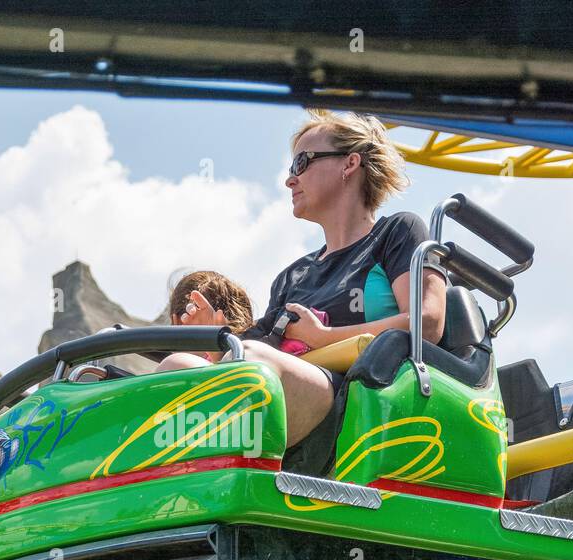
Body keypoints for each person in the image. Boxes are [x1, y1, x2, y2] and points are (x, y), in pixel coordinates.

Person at [160, 110, 448, 448]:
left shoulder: (397, 232)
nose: (290, 180)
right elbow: (258, 342)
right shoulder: (292, 276)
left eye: (302, 164)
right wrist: (211, 338)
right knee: (176, 365)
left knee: (253, 363)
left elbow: (428, 322)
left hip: (361, 391)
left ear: (349, 164)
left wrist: (325, 337)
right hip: (292, 383)